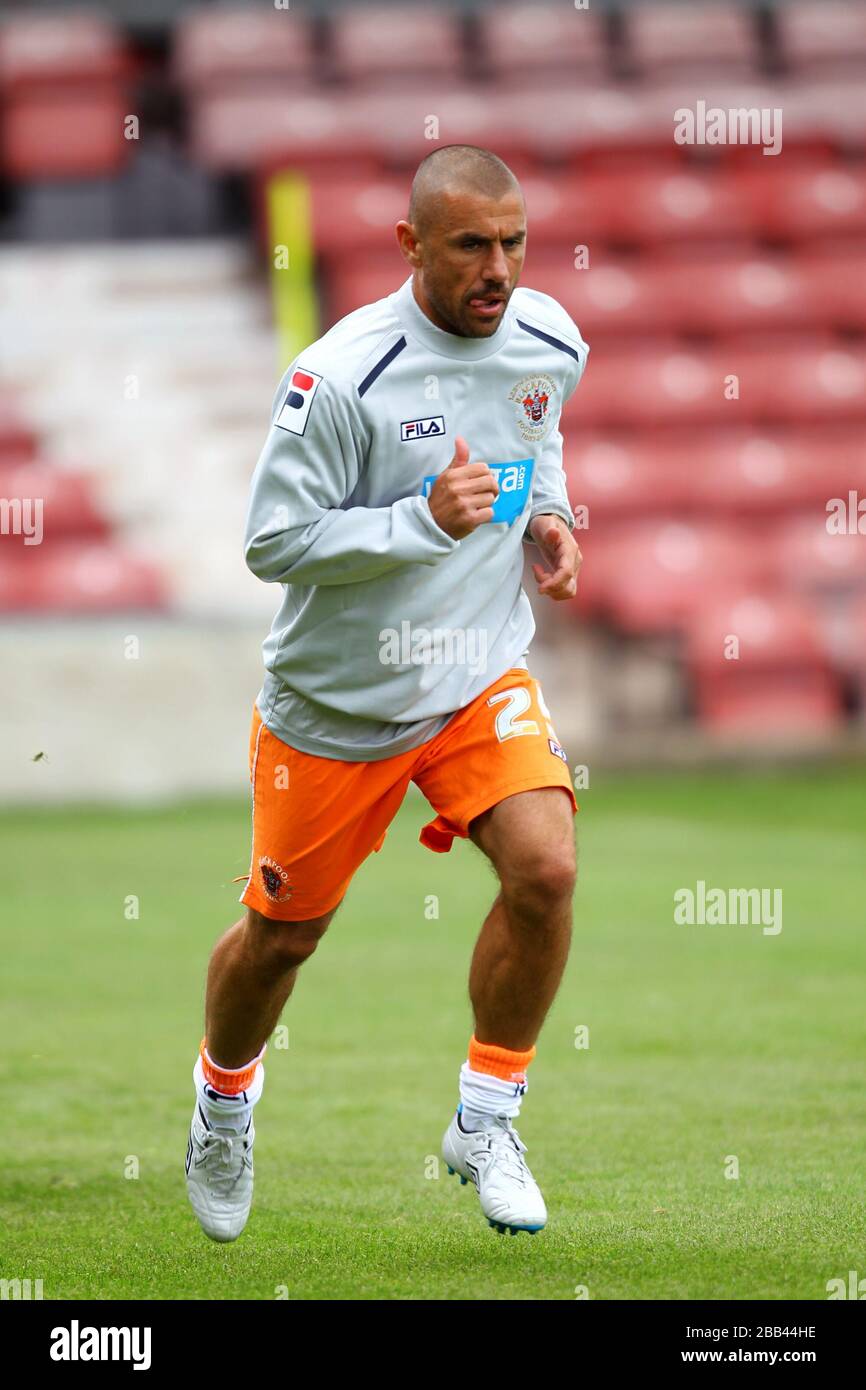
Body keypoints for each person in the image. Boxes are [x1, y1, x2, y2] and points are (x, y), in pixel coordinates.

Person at [185, 144, 589, 1240]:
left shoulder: (550, 337)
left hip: (474, 674)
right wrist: (424, 521)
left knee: (546, 867)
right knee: (282, 938)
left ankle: (485, 1115)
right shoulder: (338, 376)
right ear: (409, 245)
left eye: (511, 241)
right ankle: (223, 1101)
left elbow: (535, 444)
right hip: (337, 704)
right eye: (470, 244)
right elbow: (271, 544)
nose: (497, 266)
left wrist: (550, 520)